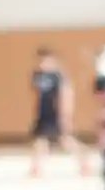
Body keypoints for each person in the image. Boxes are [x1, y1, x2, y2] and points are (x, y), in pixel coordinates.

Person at [29, 48, 89, 178]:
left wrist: (66, 116)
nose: (42, 63)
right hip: (43, 114)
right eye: (40, 60)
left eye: (46, 60)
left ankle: (83, 163)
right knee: (41, 140)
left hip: (57, 114)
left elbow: (66, 95)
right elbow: (38, 96)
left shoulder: (59, 76)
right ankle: (35, 168)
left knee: (66, 140)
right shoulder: (37, 76)